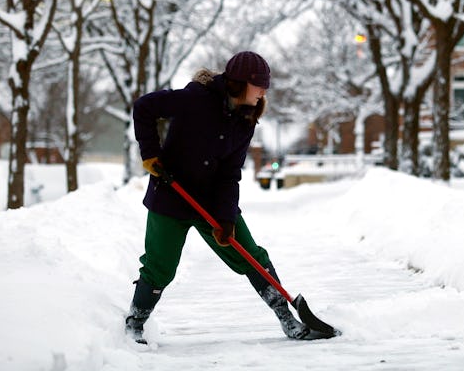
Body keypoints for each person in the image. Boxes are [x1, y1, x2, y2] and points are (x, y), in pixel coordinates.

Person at [124, 51, 318, 343]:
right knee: (159, 266)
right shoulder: (195, 100)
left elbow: (230, 174)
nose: (264, 91)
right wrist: (151, 153)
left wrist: (226, 218)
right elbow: (144, 107)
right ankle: (135, 323)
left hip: (211, 203)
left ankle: (286, 318)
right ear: (240, 83)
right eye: (259, 85)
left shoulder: (245, 121)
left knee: (252, 256)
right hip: (171, 195)